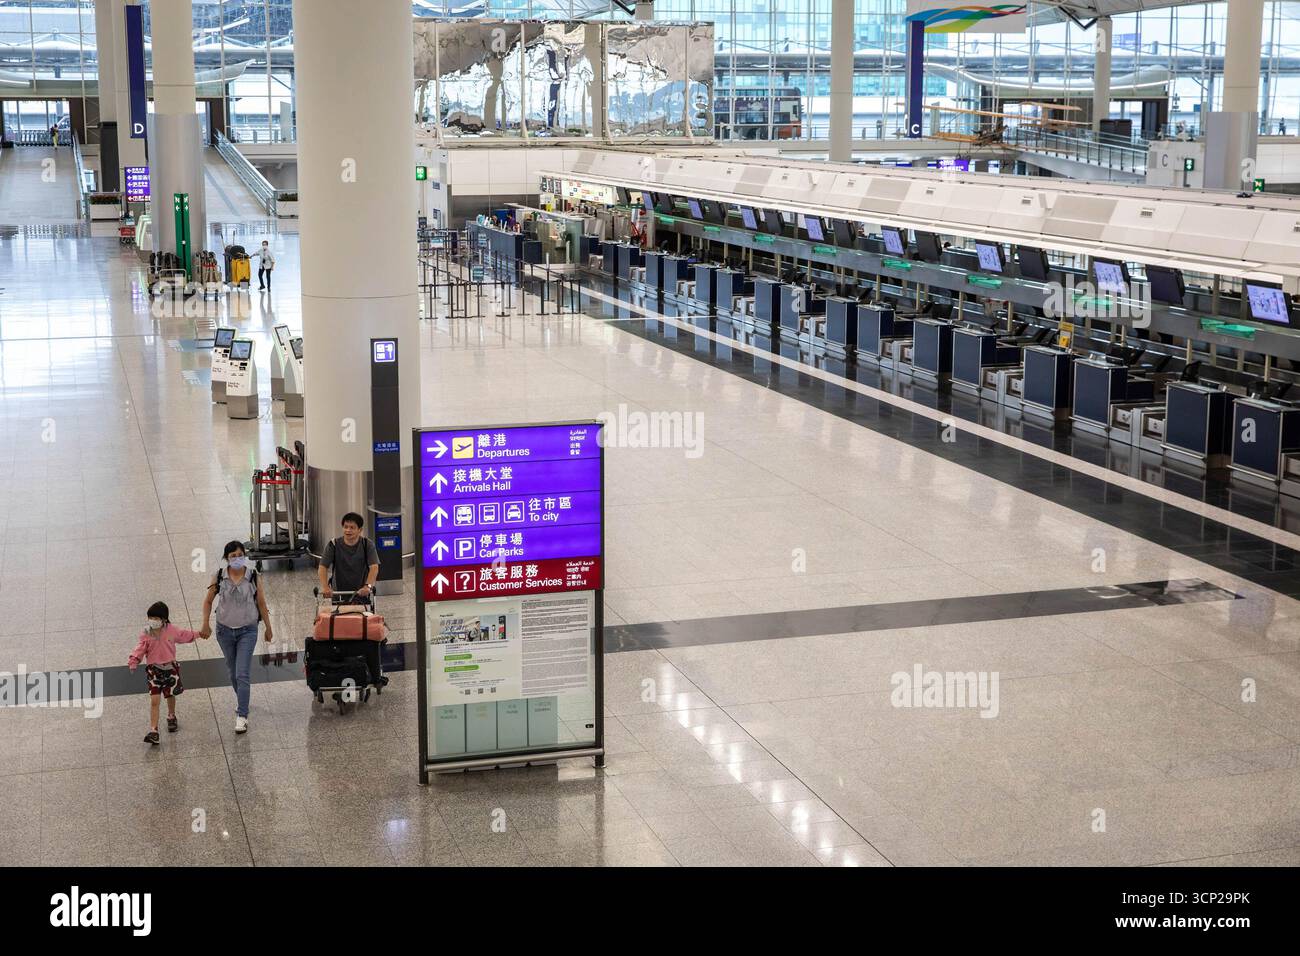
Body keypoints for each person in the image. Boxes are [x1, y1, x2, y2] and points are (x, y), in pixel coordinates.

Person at [200, 541, 273, 734]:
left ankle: (242, 714)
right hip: (224, 631)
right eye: (233, 556)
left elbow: (262, 603)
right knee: (232, 673)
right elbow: (208, 601)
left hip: (247, 631)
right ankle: (242, 699)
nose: (237, 558)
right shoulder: (219, 577)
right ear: (226, 558)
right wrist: (205, 623)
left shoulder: (253, 576)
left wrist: (268, 627)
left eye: (240, 554)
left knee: (242, 674)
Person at [128, 602, 207, 745]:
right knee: (154, 700)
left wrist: (199, 634)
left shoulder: (171, 630)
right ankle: (154, 730)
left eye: (156, 618)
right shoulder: (147, 632)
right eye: (150, 617)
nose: (153, 621)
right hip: (154, 671)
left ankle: (171, 716)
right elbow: (140, 647)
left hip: (170, 668)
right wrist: (134, 660)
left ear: (164, 619)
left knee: (170, 695)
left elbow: (184, 635)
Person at [318, 512, 380, 601]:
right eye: (345, 527)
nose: (348, 530)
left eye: (352, 528)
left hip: (361, 593)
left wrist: (368, 586)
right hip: (338, 594)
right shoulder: (333, 545)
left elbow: (374, 567)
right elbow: (322, 567)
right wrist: (325, 587)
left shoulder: (367, 545)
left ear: (360, 529)